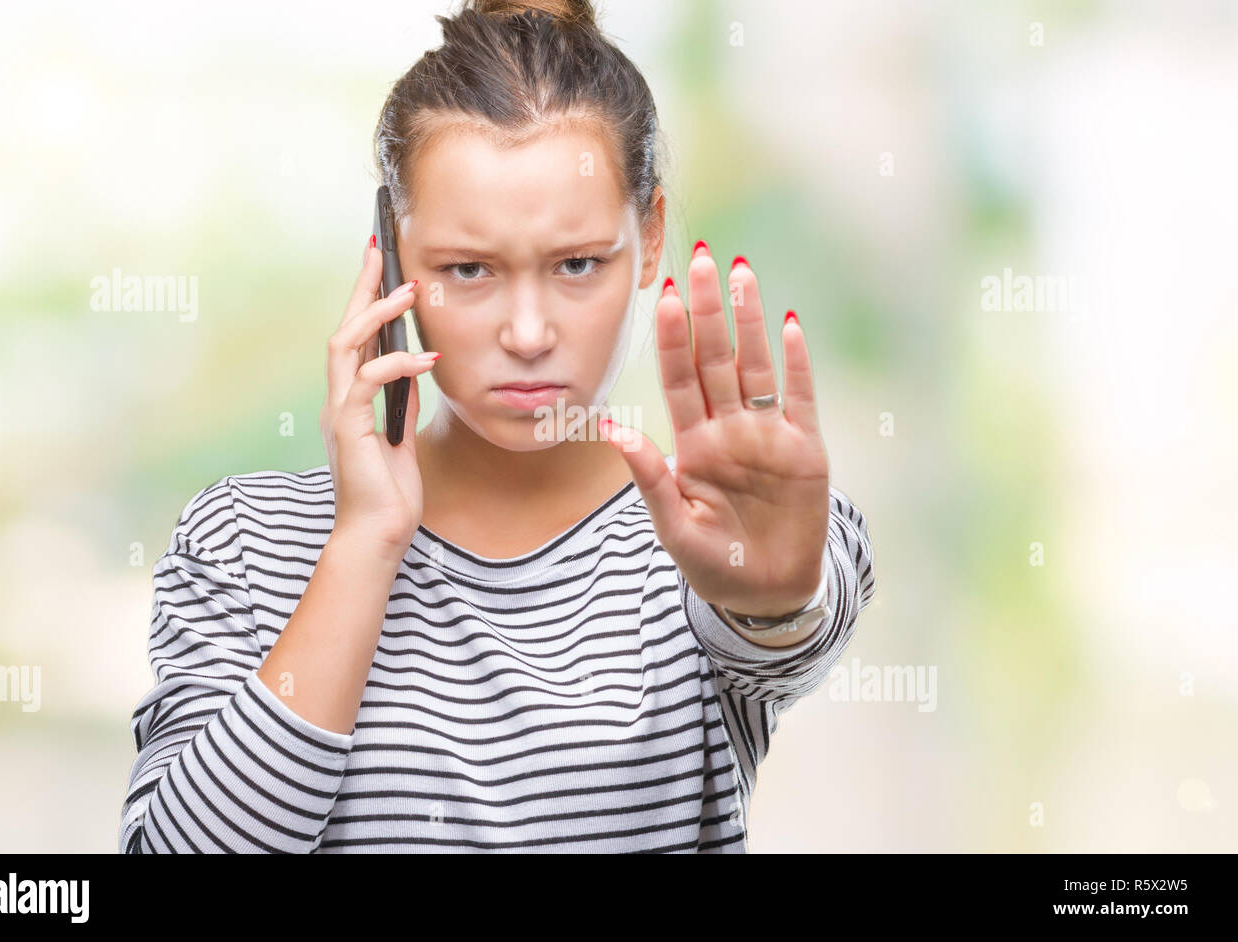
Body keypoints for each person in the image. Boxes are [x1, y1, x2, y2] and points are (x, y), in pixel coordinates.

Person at [119, 0, 876, 854]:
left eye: (578, 263)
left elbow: (785, 630)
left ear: (653, 235)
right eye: (469, 268)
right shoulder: (246, 543)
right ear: (394, 251)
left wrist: (767, 597)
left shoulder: (724, 531)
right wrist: (365, 543)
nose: (527, 333)